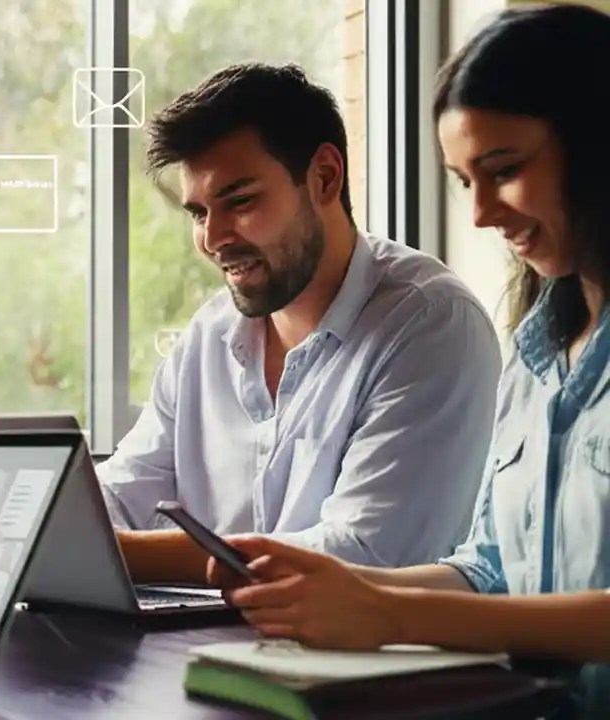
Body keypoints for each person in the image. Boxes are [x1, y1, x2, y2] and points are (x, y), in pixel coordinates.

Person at [215, 5, 610, 716]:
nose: (482, 213)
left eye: (505, 170)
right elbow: (491, 570)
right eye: (464, 182)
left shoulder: (434, 321)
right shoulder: (533, 355)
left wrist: (394, 617)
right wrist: (332, 585)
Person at [99, 62, 502, 583]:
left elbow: (364, 555)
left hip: (369, 662)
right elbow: (121, 495)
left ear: (325, 178)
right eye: (198, 213)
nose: (213, 238)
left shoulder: (430, 325)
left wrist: (117, 556)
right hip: (211, 649)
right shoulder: (209, 335)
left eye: (240, 202)